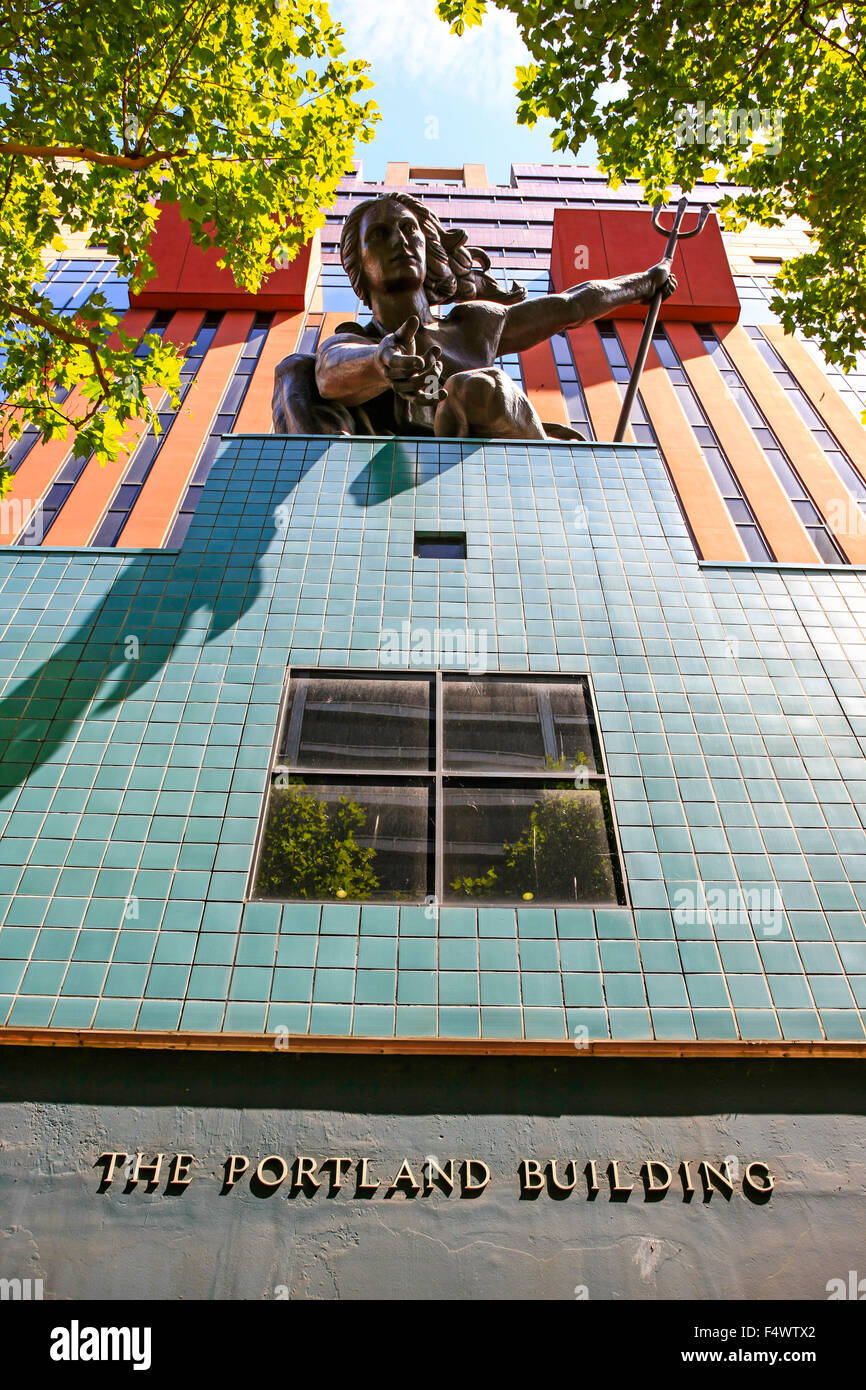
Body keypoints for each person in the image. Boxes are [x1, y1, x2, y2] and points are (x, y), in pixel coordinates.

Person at [273, 191, 677, 440]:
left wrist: (644, 283)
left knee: (476, 386)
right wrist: (382, 363)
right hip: (383, 486)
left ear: (429, 247)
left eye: (409, 230)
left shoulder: (472, 325)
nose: (399, 241)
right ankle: (326, 503)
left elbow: (571, 306)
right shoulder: (353, 344)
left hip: (495, 469)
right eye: (379, 235)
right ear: (357, 263)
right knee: (295, 369)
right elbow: (329, 373)